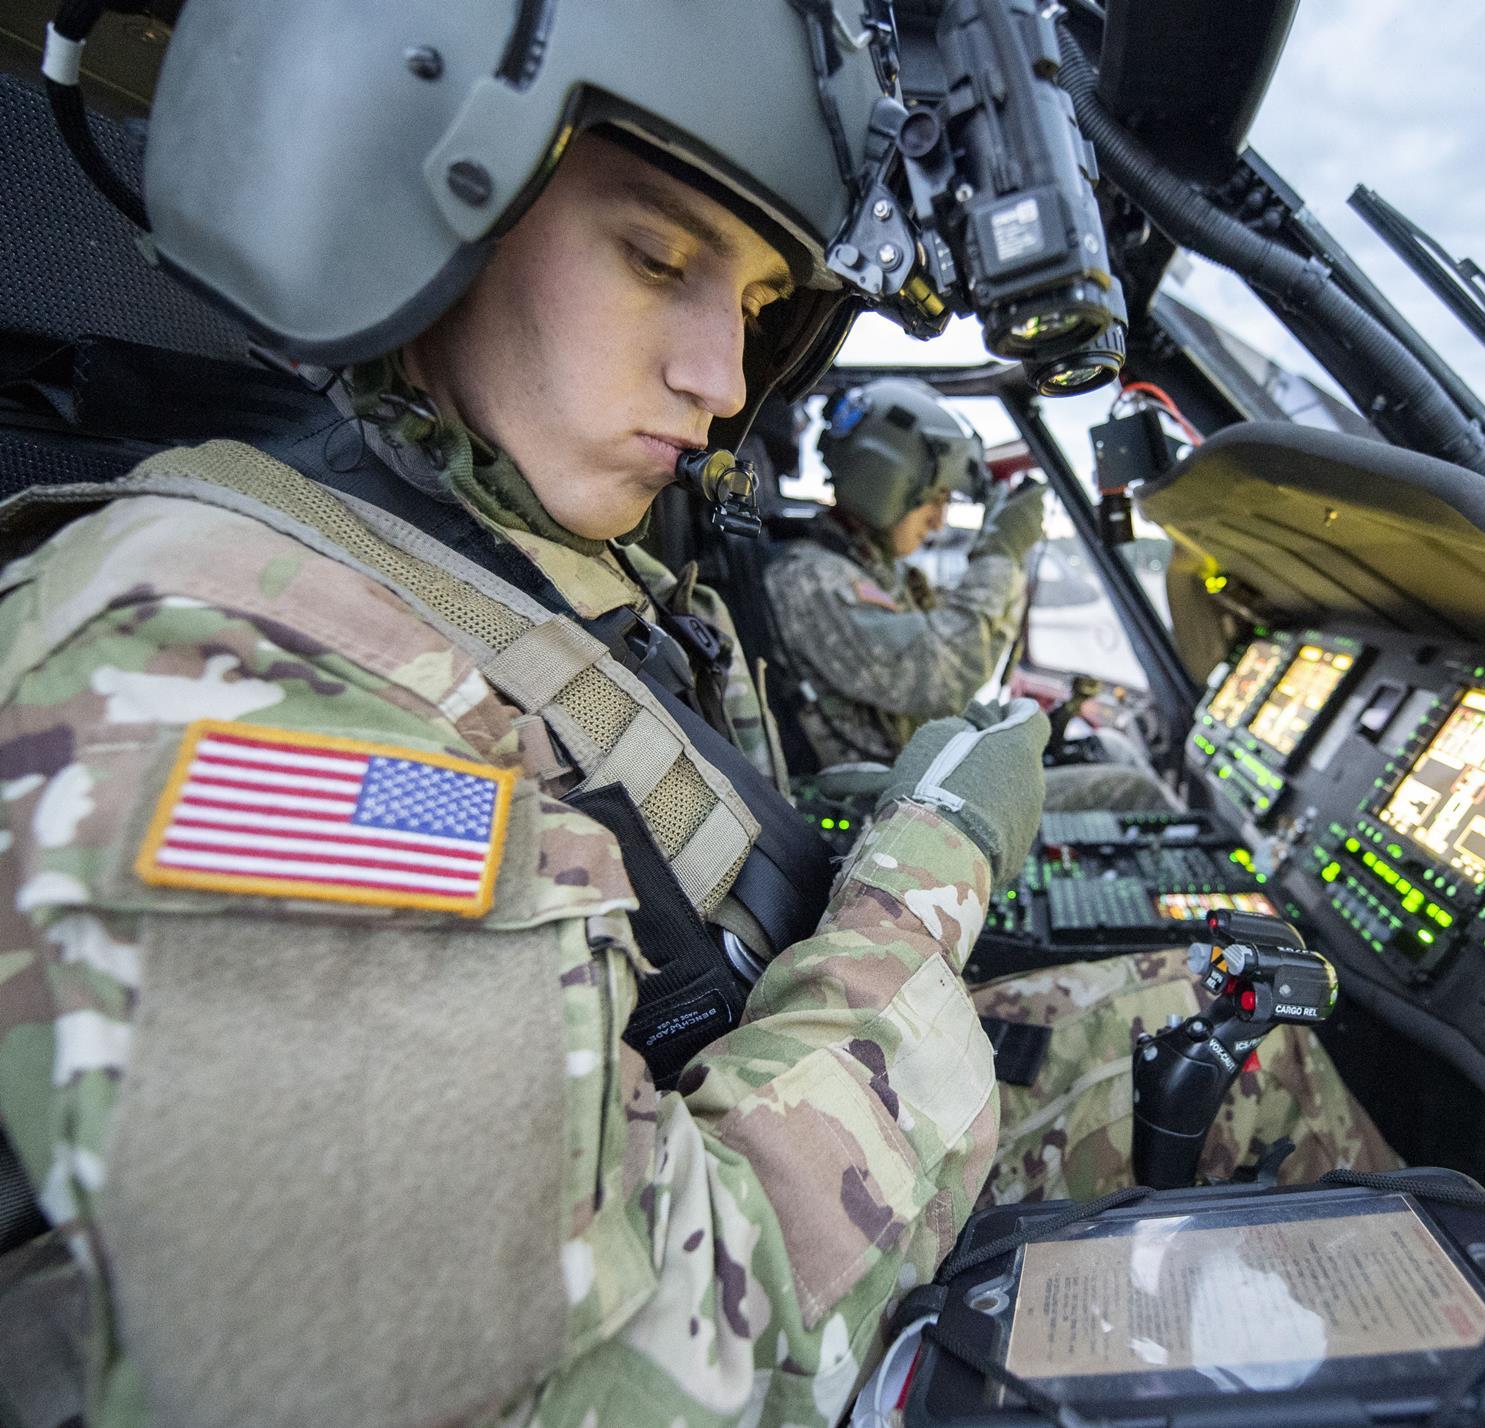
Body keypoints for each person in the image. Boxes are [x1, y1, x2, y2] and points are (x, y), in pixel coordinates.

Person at [0, 5, 1394, 1426]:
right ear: (397, 197)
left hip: (714, 1104)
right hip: (718, 1300)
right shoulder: (215, 687)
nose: (724, 384)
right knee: (1248, 1071)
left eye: (747, 304)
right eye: (658, 257)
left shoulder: (503, 553)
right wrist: (926, 878)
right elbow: (617, 1378)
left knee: (1246, 1030)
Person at [765, 377, 1170, 809]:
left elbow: (968, 634)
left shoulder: (872, 570)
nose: (939, 522)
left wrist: (1000, 548)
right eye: (936, 499)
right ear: (888, 484)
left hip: (920, 777)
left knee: (1113, 749)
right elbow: (946, 675)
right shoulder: (813, 580)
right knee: (1135, 794)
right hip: (893, 806)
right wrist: (999, 553)